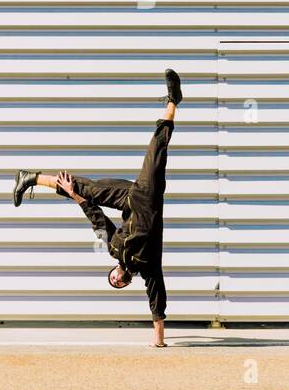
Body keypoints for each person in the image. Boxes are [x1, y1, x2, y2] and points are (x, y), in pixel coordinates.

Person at [11, 69, 182, 347]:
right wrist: (159, 340)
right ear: (127, 283)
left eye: (112, 279)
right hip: (147, 197)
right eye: (119, 283)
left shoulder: (114, 248)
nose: (117, 279)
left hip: (127, 198)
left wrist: (72, 195)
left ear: (113, 270)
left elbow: (97, 219)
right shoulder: (149, 268)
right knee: (157, 147)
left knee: (81, 189)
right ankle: (174, 100)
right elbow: (157, 300)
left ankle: (30, 177)